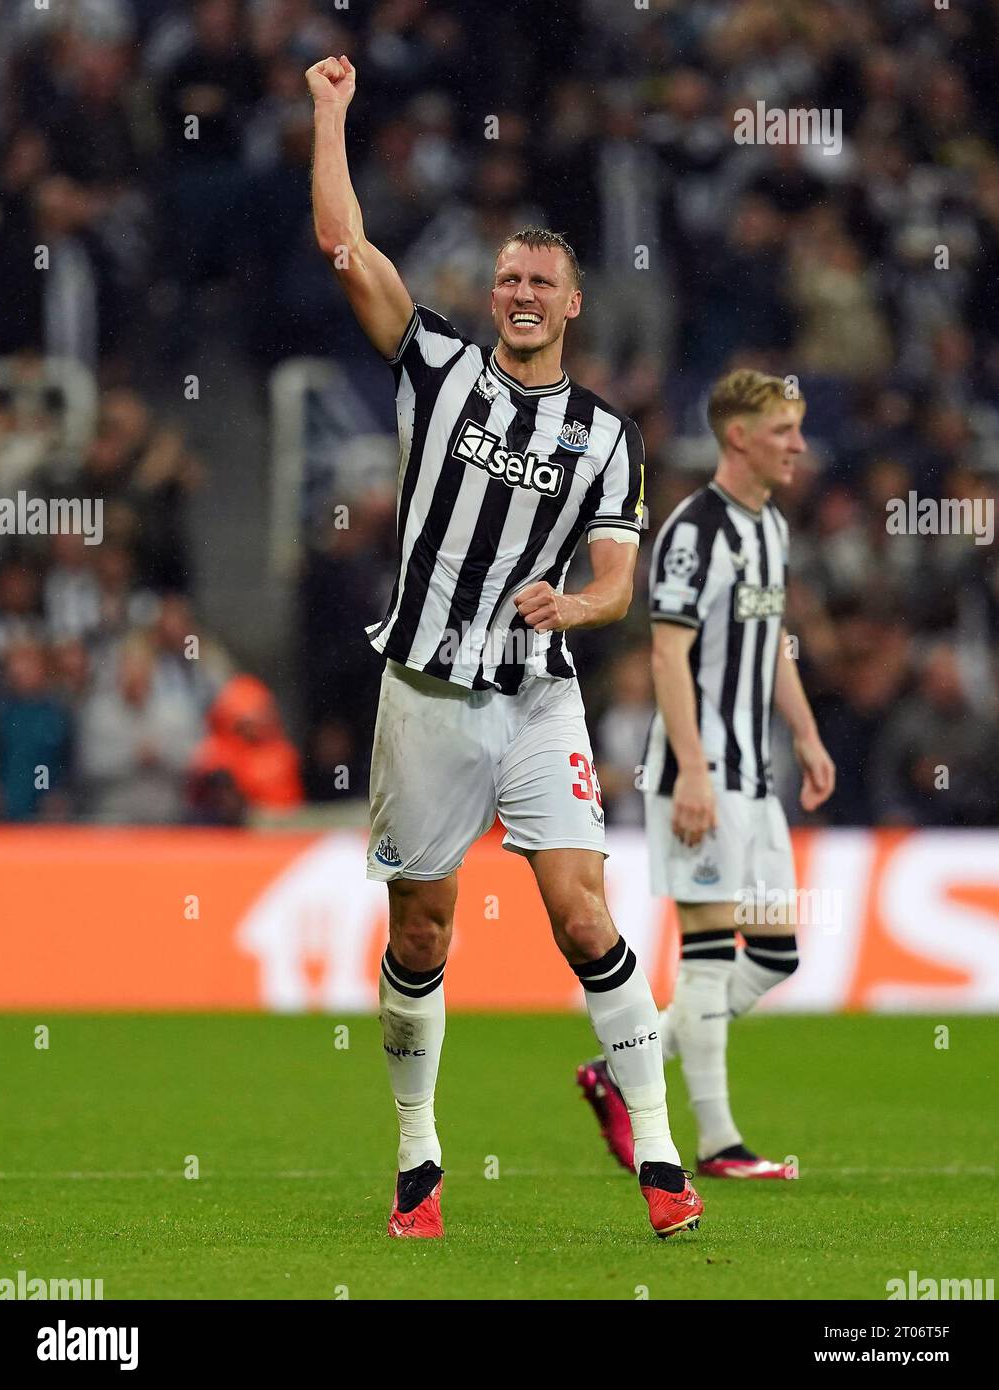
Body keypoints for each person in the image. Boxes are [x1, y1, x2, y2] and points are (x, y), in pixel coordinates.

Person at [308, 54, 703, 1240]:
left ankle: (663, 1163)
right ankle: (419, 1159)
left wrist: (575, 610)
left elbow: (618, 579)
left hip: (538, 700)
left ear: (575, 305)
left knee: (583, 915)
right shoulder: (434, 367)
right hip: (424, 692)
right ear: (495, 295)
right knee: (421, 929)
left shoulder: (605, 439)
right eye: (510, 278)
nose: (523, 293)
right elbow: (345, 243)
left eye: (544, 281)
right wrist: (330, 114)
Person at [577, 369, 836, 1179]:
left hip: (754, 776)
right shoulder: (694, 530)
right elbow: (667, 652)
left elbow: (774, 642)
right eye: (784, 430)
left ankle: (621, 1067)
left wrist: (806, 731)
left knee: (774, 955)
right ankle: (721, 1143)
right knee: (712, 954)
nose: (798, 444)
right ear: (737, 438)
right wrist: (691, 769)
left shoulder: (772, 529)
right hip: (701, 771)